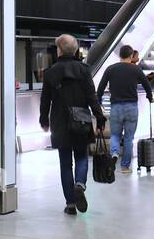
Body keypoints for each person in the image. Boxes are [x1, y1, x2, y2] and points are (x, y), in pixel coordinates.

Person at [39, 34, 106, 215]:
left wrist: (43, 120)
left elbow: (45, 101)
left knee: (65, 163)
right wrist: (100, 118)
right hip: (82, 120)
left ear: (59, 50)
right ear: (75, 50)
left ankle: (70, 203)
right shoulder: (84, 70)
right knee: (82, 156)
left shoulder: (50, 73)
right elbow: (92, 97)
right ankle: (80, 184)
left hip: (60, 123)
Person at [97, 44, 154, 172]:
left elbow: (100, 87)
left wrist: (99, 102)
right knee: (128, 138)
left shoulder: (110, 69)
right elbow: (146, 85)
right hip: (131, 107)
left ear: (120, 55)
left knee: (115, 135)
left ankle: (115, 154)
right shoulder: (136, 69)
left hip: (116, 107)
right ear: (130, 56)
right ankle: (125, 166)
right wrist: (150, 97)